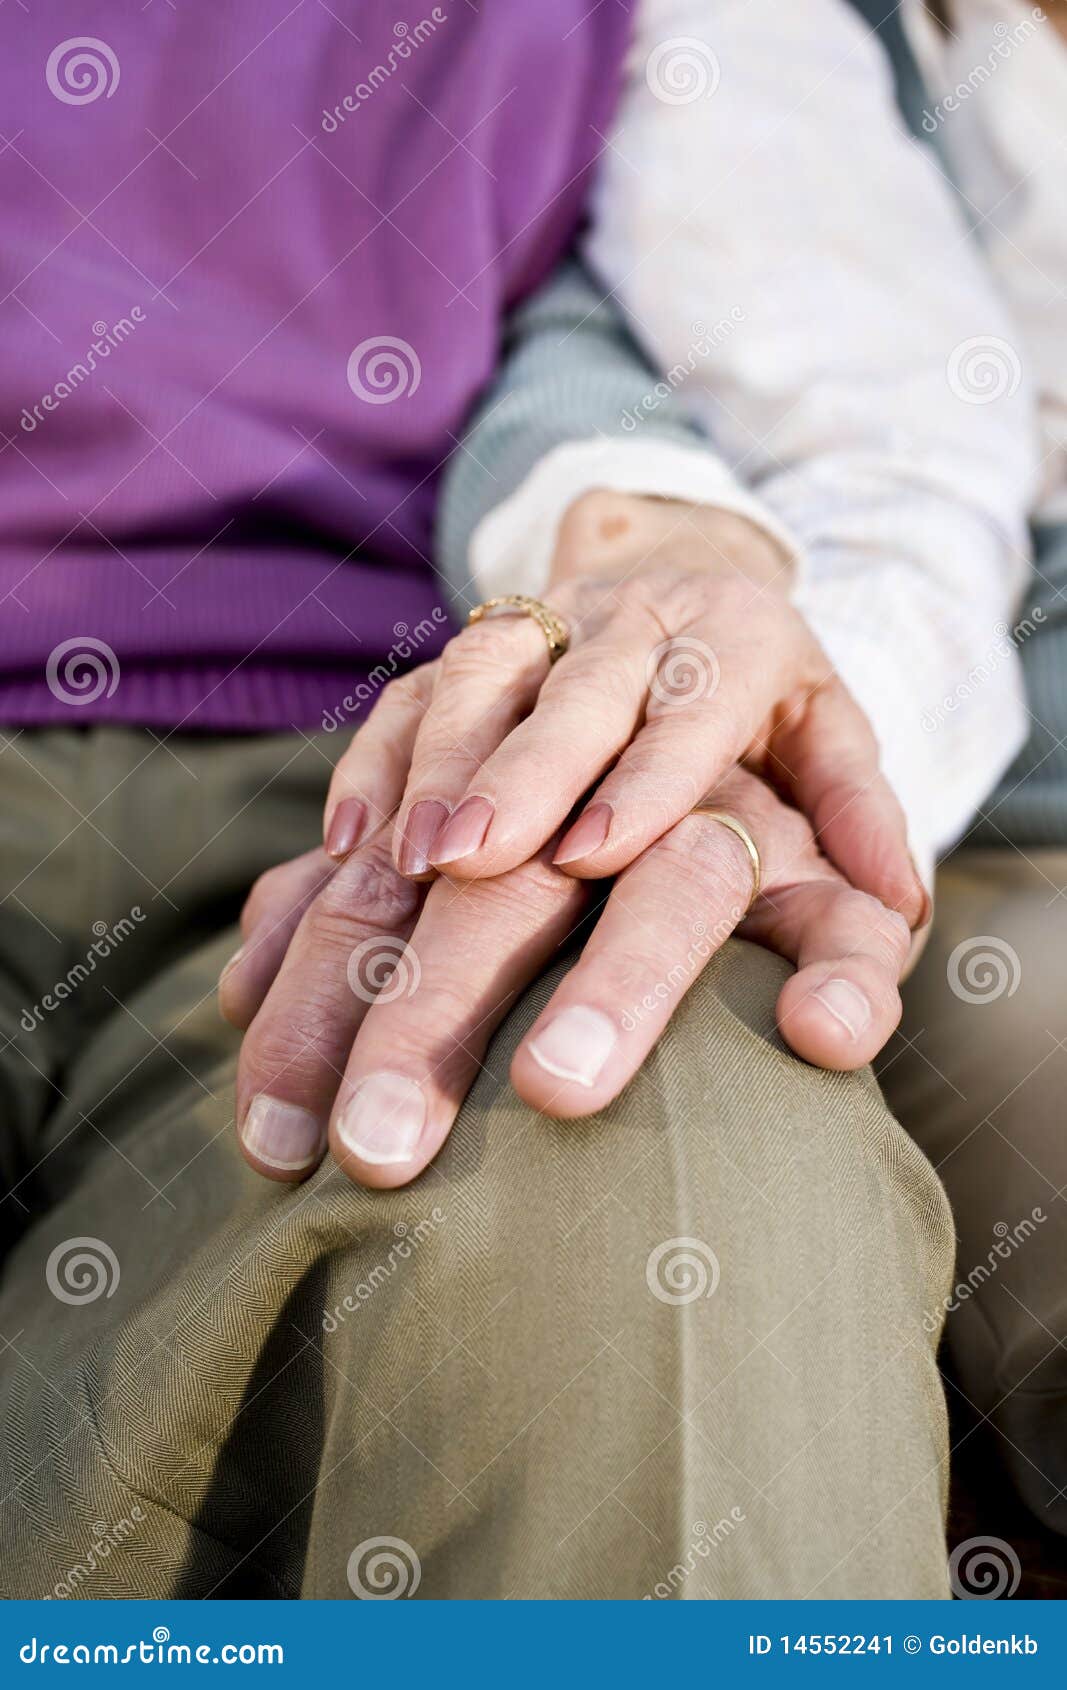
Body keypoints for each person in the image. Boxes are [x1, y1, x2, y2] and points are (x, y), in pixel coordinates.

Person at [0, 1, 1028, 1599]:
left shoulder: (677, 32)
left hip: (390, 756)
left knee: (661, 1147)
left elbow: (865, 438)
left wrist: (686, 694)